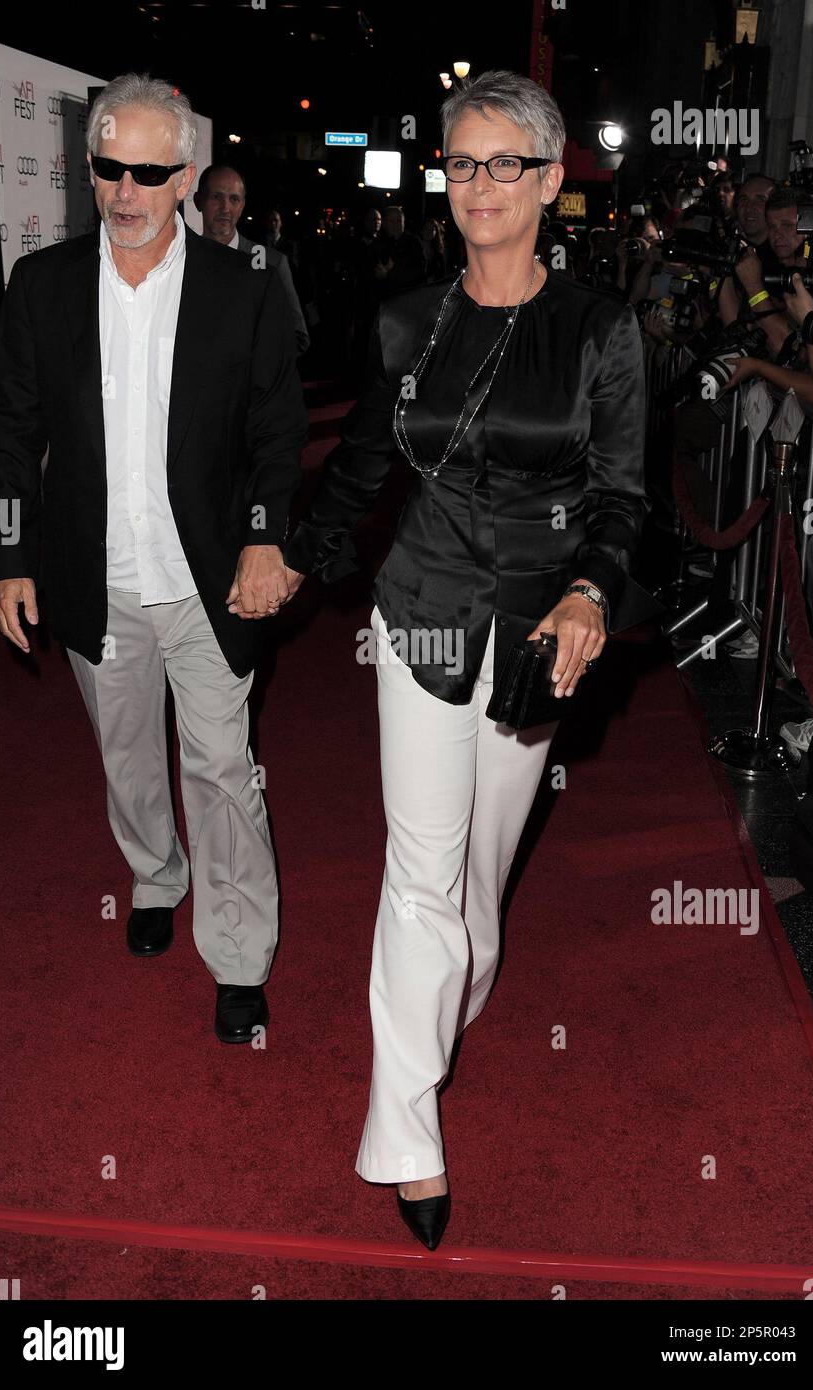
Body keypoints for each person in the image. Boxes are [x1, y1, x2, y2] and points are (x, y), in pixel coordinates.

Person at [280, 69, 650, 1249]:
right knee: (421, 870)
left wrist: (592, 591)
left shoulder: (600, 331)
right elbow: (363, 473)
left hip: (542, 633)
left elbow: (629, 500)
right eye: (462, 163)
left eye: (505, 164)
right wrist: (289, 556)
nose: (479, 186)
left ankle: (458, 991)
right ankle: (405, 1129)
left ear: (549, 181)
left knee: (484, 873)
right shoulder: (404, 320)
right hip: (424, 611)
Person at [0, 73, 307, 1042]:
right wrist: (7, 549)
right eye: (108, 167)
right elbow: (5, 433)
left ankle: (239, 951)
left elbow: (278, 432)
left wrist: (263, 533)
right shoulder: (40, 286)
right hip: (97, 578)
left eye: (148, 171)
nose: (125, 189)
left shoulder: (241, 288)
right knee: (128, 760)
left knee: (221, 767)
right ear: (89, 170)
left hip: (207, 580)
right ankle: (156, 875)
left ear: (184, 178)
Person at [193, 163, 310, 356]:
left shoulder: (270, 262)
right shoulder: (179, 261)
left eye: (234, 199)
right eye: (216, 197)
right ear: (198, 201)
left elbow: (299, 338)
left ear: (242, 206)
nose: (225, 208)